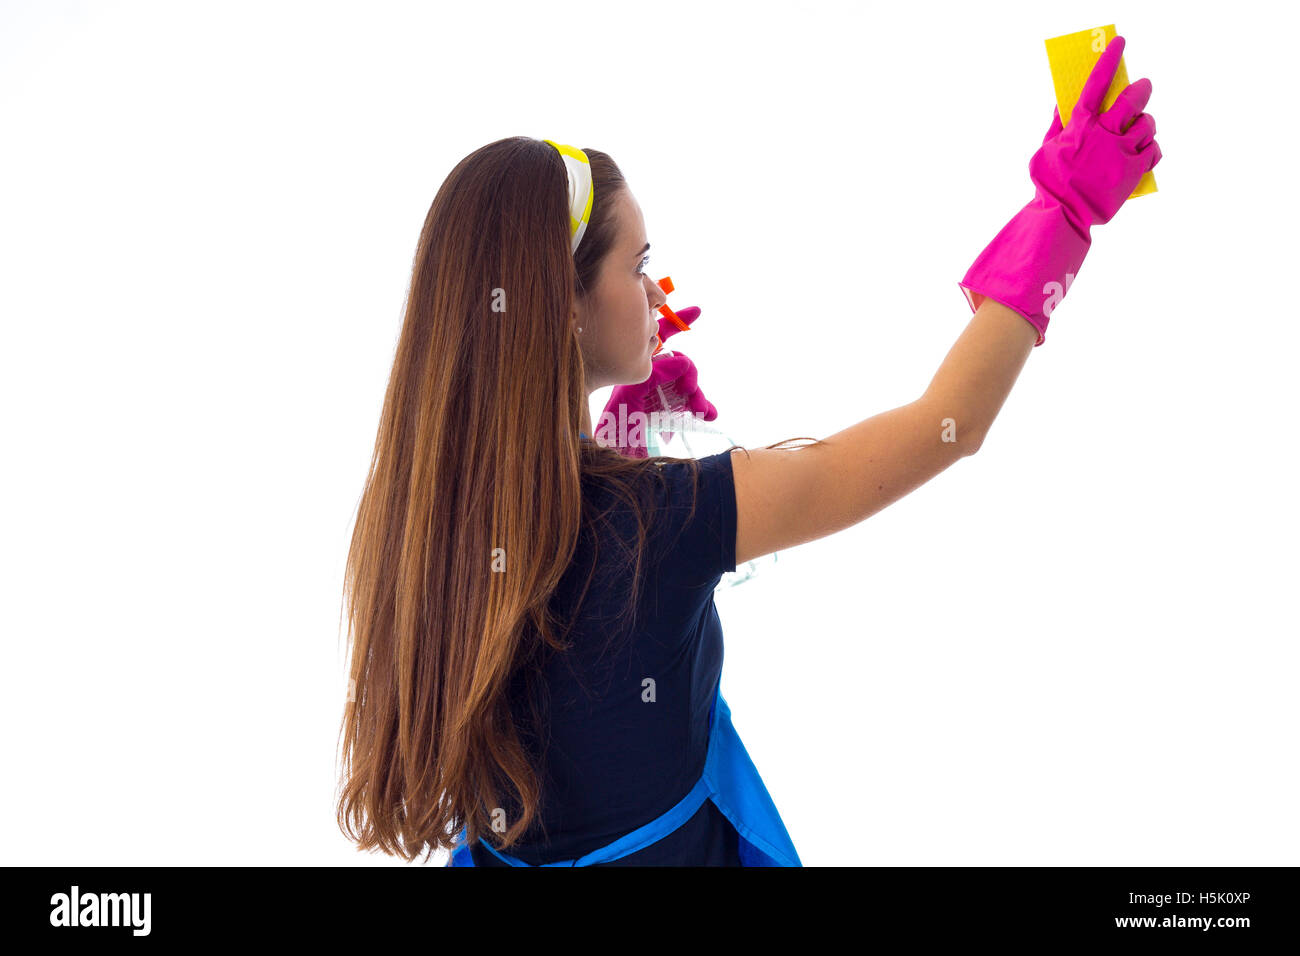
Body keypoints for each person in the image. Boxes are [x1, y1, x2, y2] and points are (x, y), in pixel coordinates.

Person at [335, 35, 1160, 866]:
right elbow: (949, 423)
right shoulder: (666, 522)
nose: (657, 292)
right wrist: (1064, 217)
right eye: (638, 264)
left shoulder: (412, 515)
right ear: (566, 306)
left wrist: (614, 437)